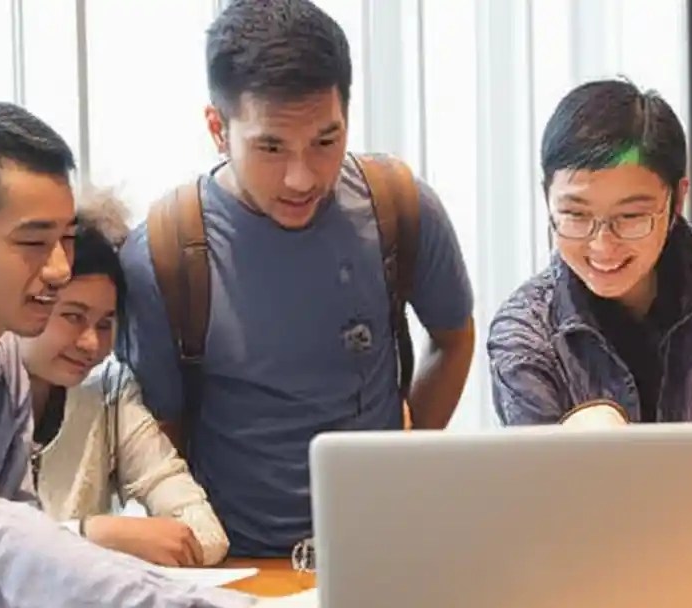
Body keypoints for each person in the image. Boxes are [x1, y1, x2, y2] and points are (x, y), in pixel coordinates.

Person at [0, 101, 315, 608]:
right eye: (32, 243)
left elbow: (25, 551)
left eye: (66, 239)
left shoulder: (1, 359)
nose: (59, 269)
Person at [118, 0, 475, 557]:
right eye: (270, 147)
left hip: (382, 547)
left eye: (325, 142)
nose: (301, 178)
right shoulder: (164, 253)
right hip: (235, 562)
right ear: (218, 129)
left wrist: (405, 463)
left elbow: (454, 337)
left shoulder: (398, 205)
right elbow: (159, 434)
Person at [487, 79, 692, 551]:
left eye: (631, 217)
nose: (602, 245)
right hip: (587, 586)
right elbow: (549, 521)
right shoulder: (525, 332)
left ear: (677, 200)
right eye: (575, 215)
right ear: (547, 200)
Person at [19, 191, 229, 567]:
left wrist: (112, 541)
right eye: (72, 316)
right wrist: (93, 535)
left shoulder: (108, 390)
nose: (91, 342)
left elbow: (206, 534)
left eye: (105, 323)